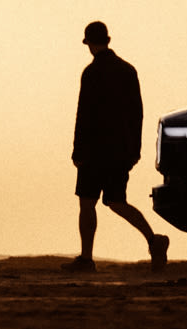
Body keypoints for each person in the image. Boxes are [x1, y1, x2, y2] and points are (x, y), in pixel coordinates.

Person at [69, 20, 167, 269]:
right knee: (116, 201)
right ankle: (153, 239)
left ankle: (86, 258)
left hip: (94, 150)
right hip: (119, 150)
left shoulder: (91, 73)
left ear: (89, 43)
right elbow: (138, 114)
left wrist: (78, 150)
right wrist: (134, 149)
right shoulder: (127, 70)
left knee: (87, 202)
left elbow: (85, 115)